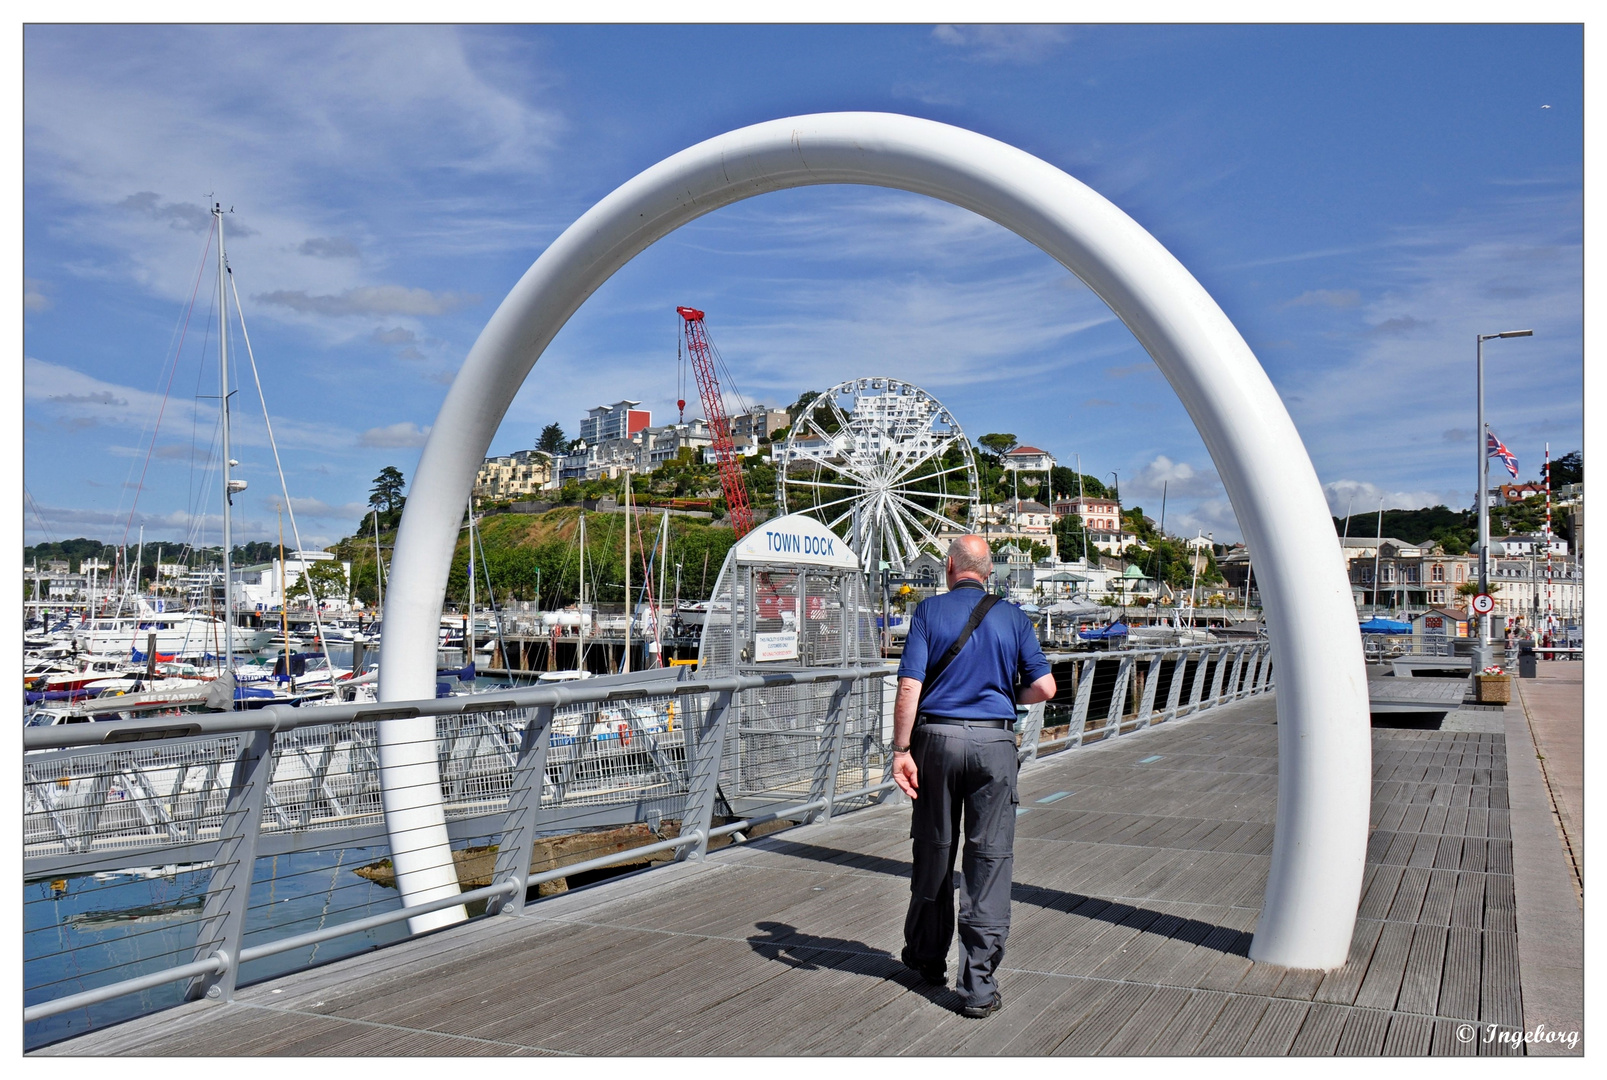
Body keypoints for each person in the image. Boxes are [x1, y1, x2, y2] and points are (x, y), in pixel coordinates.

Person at [891, 534, 1056, 1018]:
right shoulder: (1014, 617)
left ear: (949, 568)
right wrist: (1004, 698)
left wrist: (901, 750)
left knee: (934, 851)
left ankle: (925, 958)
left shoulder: (927, 613)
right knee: (989, 861)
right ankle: (978, 985)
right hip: (995, 745)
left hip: (937, 742)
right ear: (989, 573)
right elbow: (1044, 687)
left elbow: (908, 685)